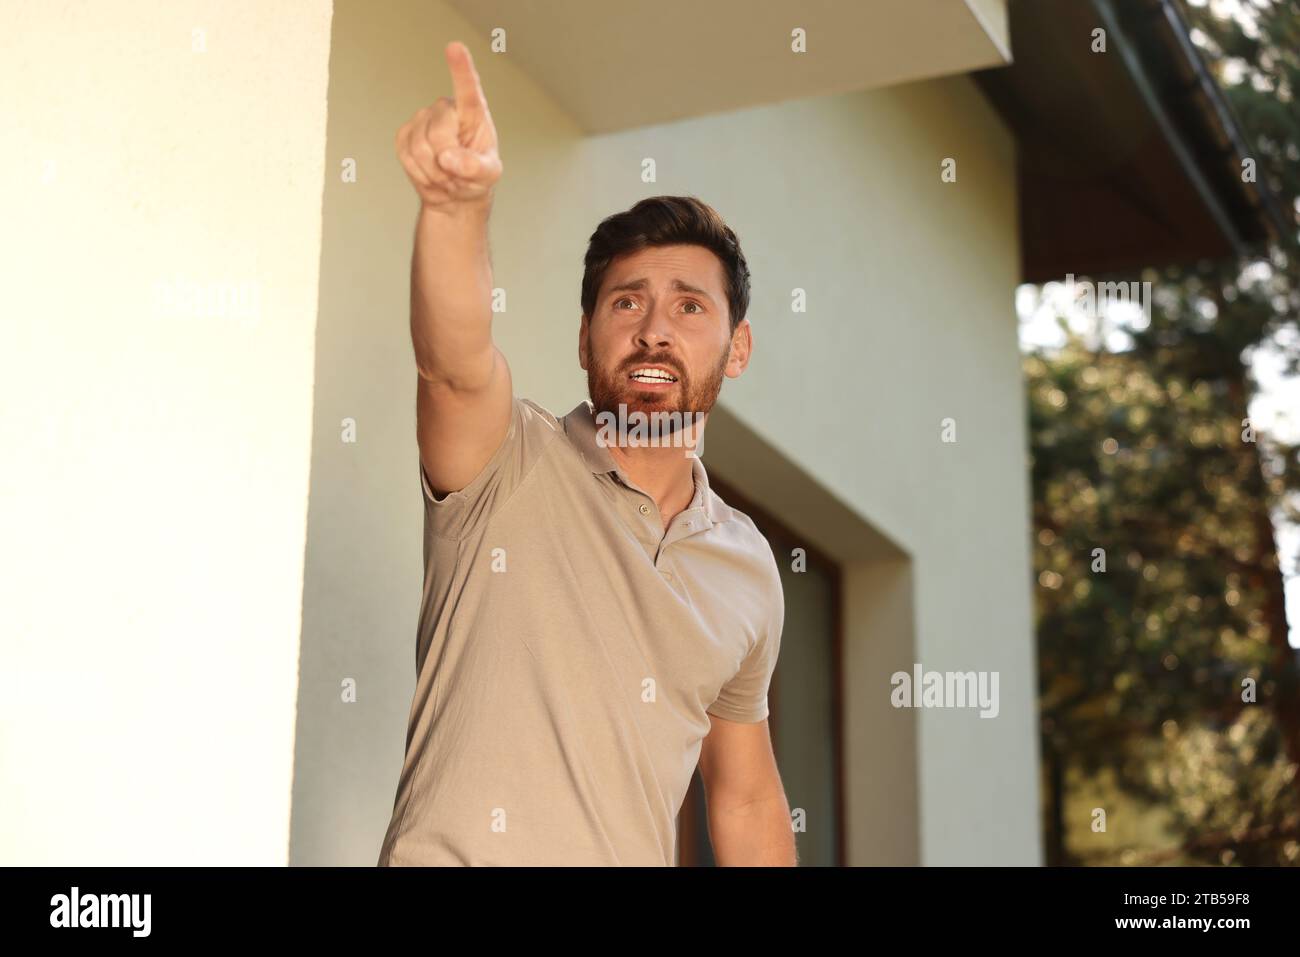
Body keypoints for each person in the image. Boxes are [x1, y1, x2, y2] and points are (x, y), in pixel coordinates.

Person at [377, 40, 793, 866]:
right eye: (627, 302)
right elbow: (454, 366)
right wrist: (457, 209)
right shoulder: (506, 460)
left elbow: (745, 796)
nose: (654, 329)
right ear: (584, 337)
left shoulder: (746, 566)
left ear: (737, 348)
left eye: (689, 306)